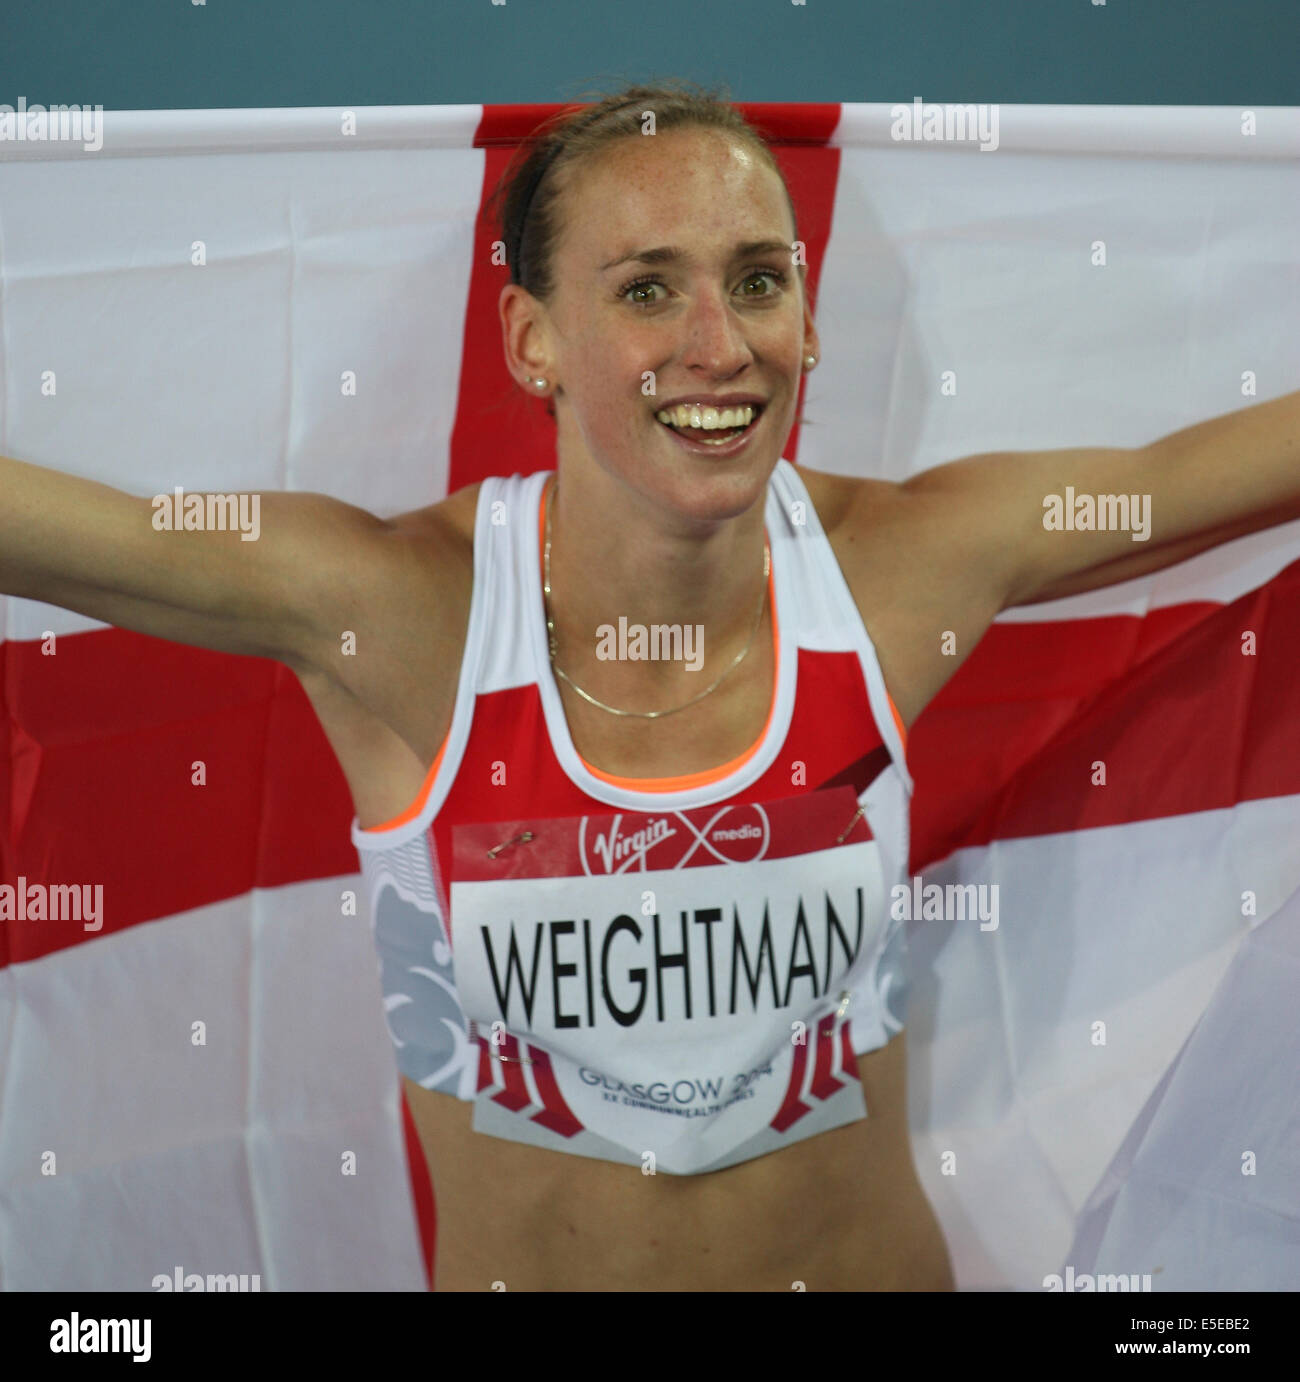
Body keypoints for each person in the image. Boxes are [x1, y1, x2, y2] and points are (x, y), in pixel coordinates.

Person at [2, 81, 1297, 1293]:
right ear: (533, 337)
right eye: (645, 290)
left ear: (809, 310)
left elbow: (1198, 473)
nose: (717, 345)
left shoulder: (901, 566)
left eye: (756, 280)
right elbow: (74, 532)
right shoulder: (402, 614)